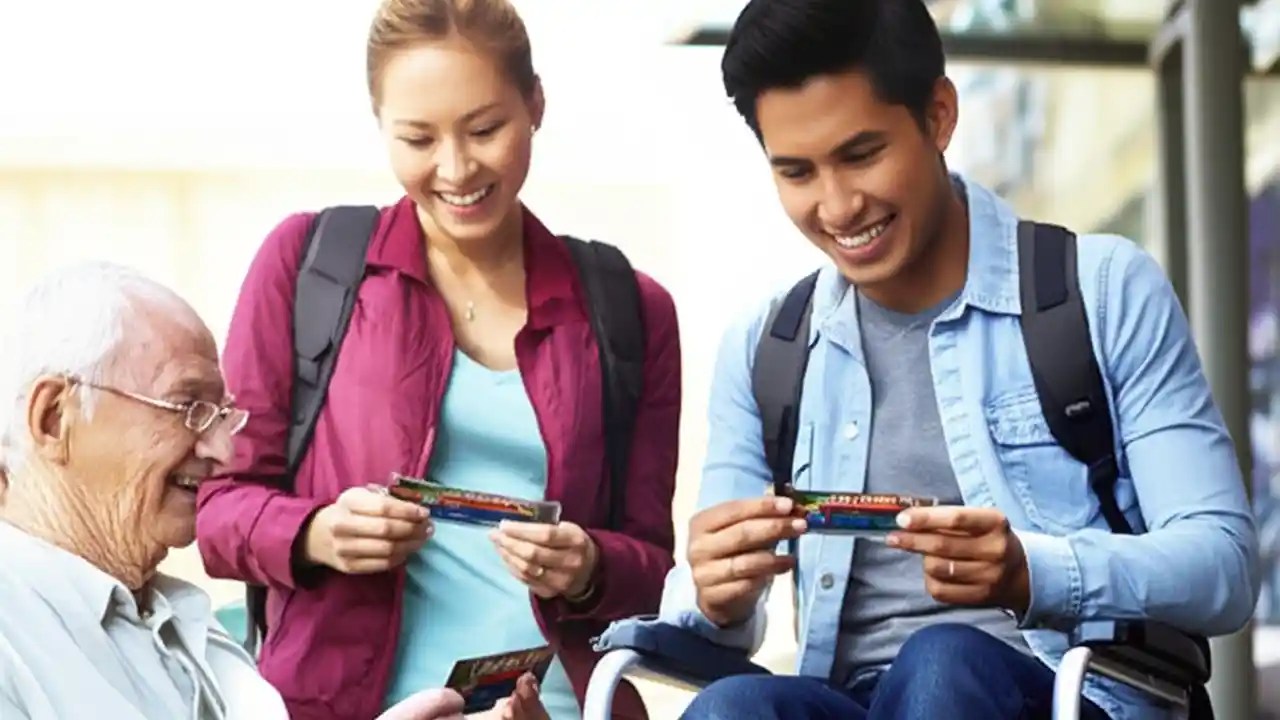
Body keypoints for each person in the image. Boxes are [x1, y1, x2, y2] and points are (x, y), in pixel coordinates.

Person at [653, 1, 1261, 719]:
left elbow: (1221, 565)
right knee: (734, 708)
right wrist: (715, 593)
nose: (838, 205)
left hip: (1070, 693)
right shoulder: (767, 349)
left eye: (861, 155)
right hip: (850, 701)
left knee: (942, 667)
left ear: (940, 115)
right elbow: (712, 618)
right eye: (797, 172)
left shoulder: (1100, 290)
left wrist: (1032, 572)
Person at [193, 0, 682, 719]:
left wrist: (588, 568)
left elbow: (651, 570)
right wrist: (317, 533)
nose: (456, 169)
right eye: (418, 138)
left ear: (536, 103)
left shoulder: (630, 310)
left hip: (553, 706)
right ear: (380, 125)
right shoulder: (308, 267)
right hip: (345, 705)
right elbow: (217, 510)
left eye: (485, 129)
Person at [0, 262, 478, 720]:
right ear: (54, 418)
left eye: (220, 414)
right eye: (188, 407)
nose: (223, 451)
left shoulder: (184, 623)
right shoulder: (17, 635)